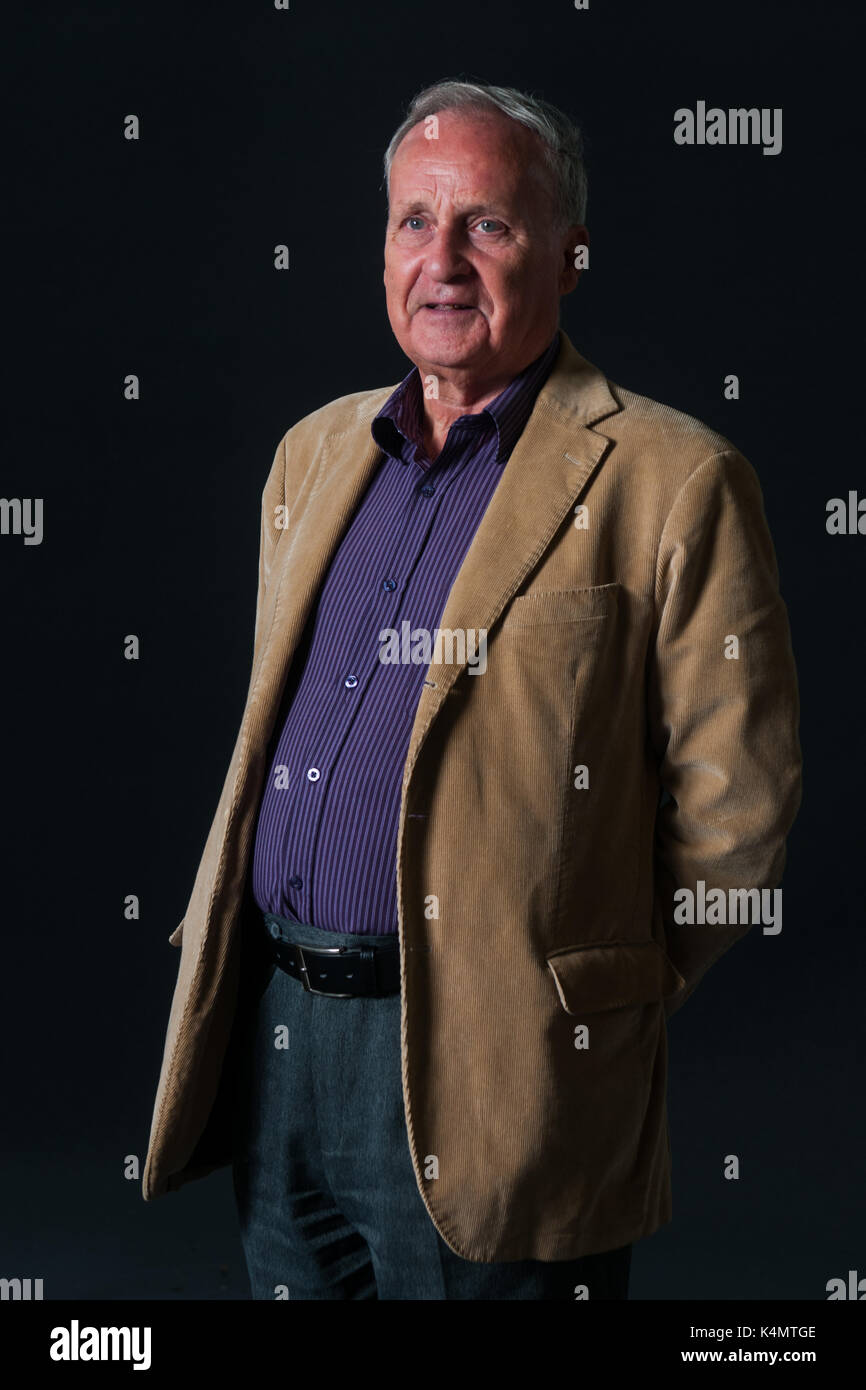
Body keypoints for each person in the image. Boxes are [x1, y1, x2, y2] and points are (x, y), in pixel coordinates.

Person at [142, 79, 802, 1301]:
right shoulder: (313, 452)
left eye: (486, 224)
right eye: (410, 221)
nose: (438, 259)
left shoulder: (674, 477)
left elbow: (739, 813)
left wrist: (574, 1002)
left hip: (500, 1063)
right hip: (278, 1035)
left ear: (569, 248)